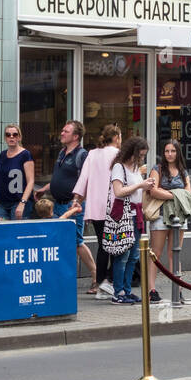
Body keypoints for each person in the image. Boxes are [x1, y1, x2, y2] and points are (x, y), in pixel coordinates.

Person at [61, 123, 122, 298]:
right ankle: (110, 280)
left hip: (96, 207)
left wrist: (76, 199)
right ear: (117, 137)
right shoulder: (119, 155)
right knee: (119, 245)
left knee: (103, 246)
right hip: (115, 206)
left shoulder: (93, 154)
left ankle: (101, 282)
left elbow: (83, 179)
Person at [36, 120, 97, 293]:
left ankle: (95, 276)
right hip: (59, 205)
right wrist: (46, 188)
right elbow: (60, 178)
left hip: (73, 205)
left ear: (76, 136)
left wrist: (78, 201)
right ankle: (64, 278)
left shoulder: (82, 155)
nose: (62, 133)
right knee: (63, 241)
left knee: (76, 242)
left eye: (66, 131)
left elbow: (86, 180)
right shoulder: (62, 152)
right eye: (62, 130)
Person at [108, 137, 156, 304]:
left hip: (136, 215)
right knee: (122, 255)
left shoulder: (135, 168)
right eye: (140, 155)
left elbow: (135, 192)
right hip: (124, 216)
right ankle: (118, 292)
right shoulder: (118, 167)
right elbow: (119, 192)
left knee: (133, 256)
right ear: (132, 153)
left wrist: (145, 186)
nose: (141, 159)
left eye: (143, 155)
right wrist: (141, 185)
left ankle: (127, 290)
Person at [145, 139, 191, 304]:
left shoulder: (182, 171)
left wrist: (168, 193)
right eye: (167, 151)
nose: (170, 154)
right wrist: (176, 194)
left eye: (173, 151)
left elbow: (188, 193)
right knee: (155, 253)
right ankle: (151, 290)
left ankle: (177, 290)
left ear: (178, 152)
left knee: (175, 254)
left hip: (179, 216)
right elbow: (153, 191)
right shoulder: (157, 169)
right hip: (159, 215)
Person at [0, 123, 35, 221]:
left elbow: (31, 182)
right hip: (2, 203)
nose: (11, 137)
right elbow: (0, 181)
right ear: (5, 138)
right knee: (0, 232)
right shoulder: (3, 155)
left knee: (17, 234)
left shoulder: (25, 154)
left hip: (18, 202)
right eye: (8, 135)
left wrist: (22, 203)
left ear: (19, 137)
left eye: (15, 134)